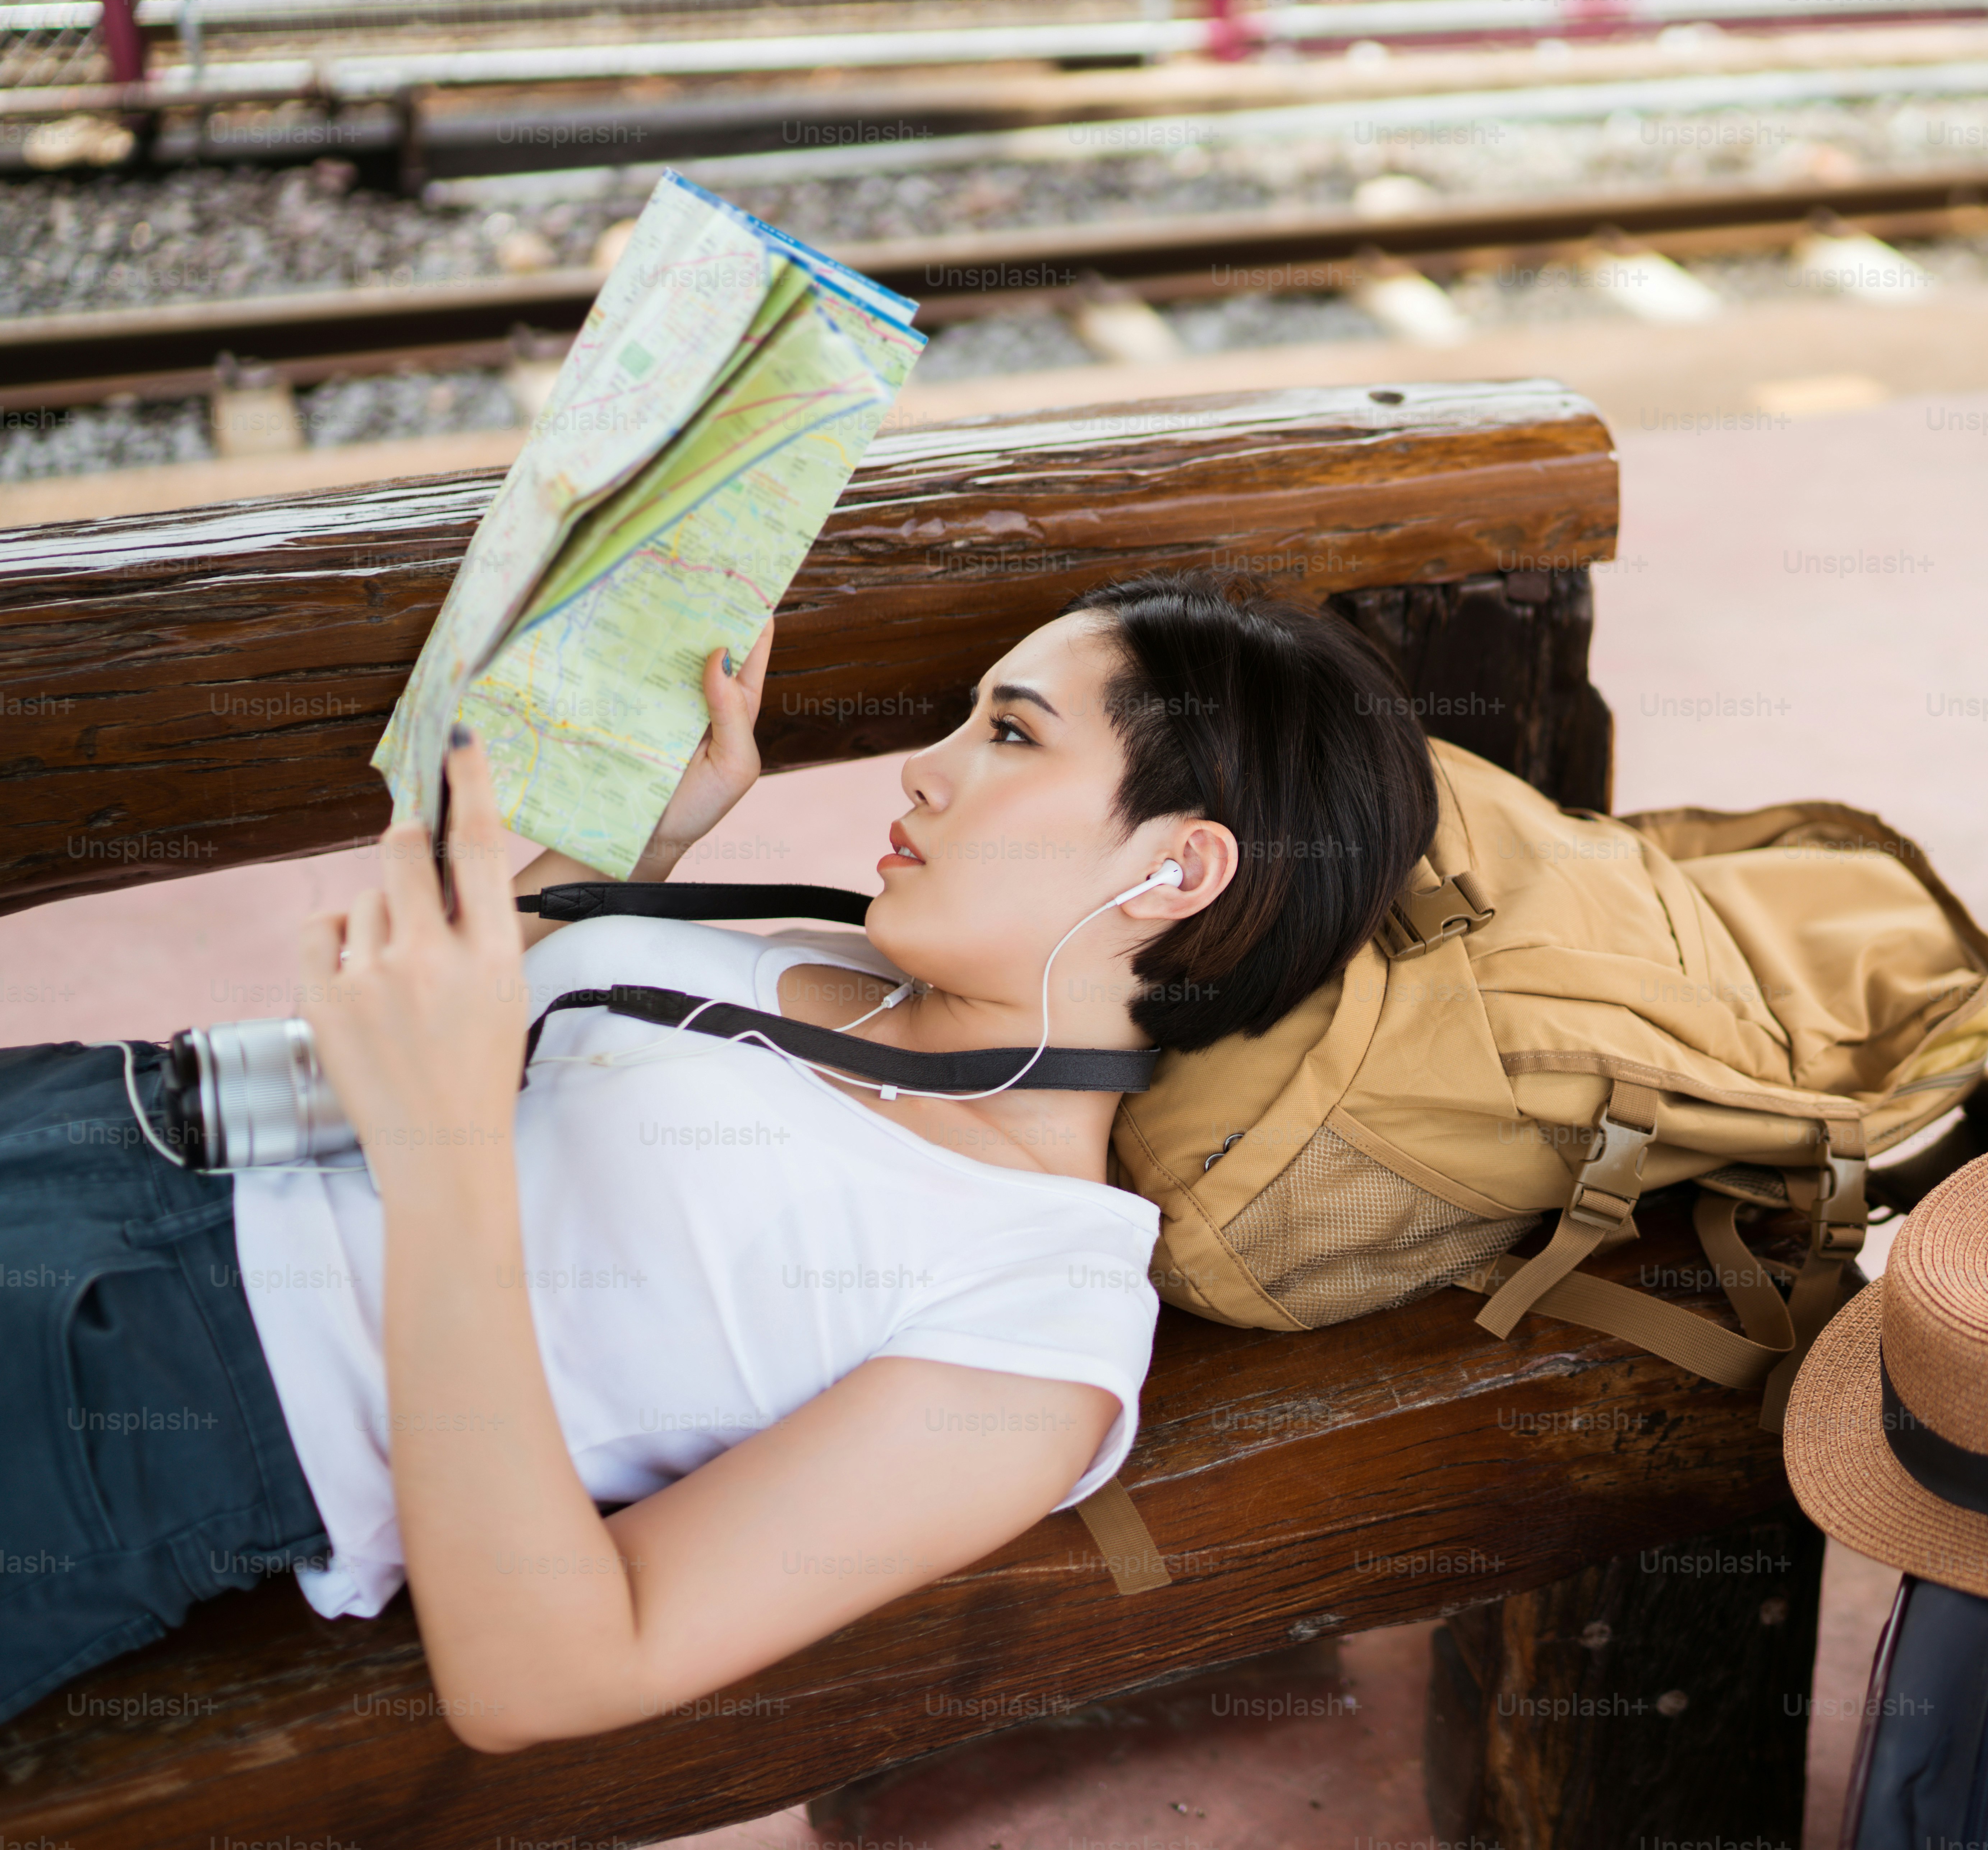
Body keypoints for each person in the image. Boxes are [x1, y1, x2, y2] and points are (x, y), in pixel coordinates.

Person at [0, 576, 1437, 1751]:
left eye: (1008, 735)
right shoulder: (845, 960)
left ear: (1176, 872)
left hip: (139, 1401)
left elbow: (550, 1677)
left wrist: (446, 1171)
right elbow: (449, 1009)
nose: (923, 769)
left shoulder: (1040, 1313)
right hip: (98, 1114)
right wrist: (647, 833)